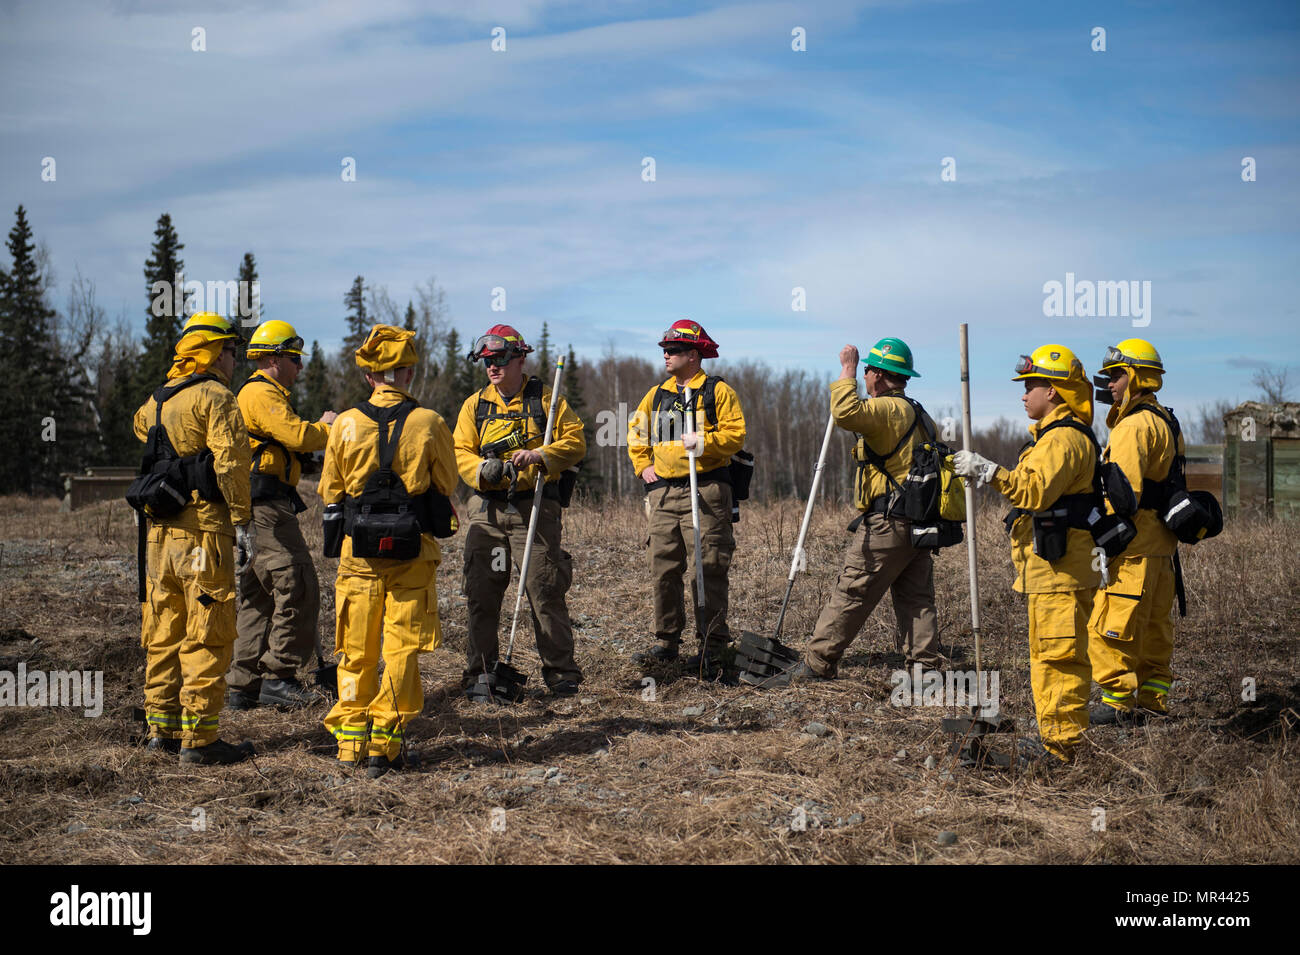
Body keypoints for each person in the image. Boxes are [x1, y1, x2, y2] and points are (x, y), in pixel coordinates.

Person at [319, 325, 458, 777]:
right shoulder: (430, 422)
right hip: (411, 549)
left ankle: (348, 746)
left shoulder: (344, 424)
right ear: (409, 372)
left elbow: (330, 490)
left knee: (355, 648)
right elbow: (447, 484)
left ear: (370, 375)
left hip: (357, 552)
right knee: (401, 649)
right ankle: (386, 746)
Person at [953, 345, 1101, 764]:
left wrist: (987, 470)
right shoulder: (1052, 437)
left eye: (1030, 386)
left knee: (1060, 658)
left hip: (1062, 573)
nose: (1023, 395)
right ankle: (1055, 738)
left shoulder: (1064, 439)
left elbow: (1033, 490)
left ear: (1053, 391)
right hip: (1052, 571)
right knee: (1048, 656)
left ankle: (1061, 748)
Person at [132, 312, 256, 764]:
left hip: (159, 537)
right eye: (230, 350)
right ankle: (200, 740)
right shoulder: (216, 397)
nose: (235, 360)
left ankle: (160, 730)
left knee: (164, 628)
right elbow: (230, 462)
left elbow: (138, 429)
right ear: (209, 352)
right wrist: (243, 520)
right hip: (205, 534)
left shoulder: (155, 401)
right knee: (208, 630)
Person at [787, 338, 941, 683]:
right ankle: (925, 672)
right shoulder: (921, 414)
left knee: (853, 590)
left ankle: (817, 664)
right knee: (916, 598)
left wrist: (846, 370)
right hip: (917, 524)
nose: (866, 375)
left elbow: (845, 413)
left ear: (881, 375)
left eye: (869, 370)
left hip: (888, 524)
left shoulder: (889, 409)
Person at [453, 324, 586, 697]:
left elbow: (575, 442)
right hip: (487, 513)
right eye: (486, 362)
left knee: (544, 590)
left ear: (519, 359)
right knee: (482, 593)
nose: (492, 368)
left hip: (535, 509)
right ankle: (479, 675)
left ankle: (561, 674)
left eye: (499, 360)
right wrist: (481, 470)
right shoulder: (474, 405)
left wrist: (541, 455)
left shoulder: (546, 399)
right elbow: (460, 451)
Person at [227, 320, 338, 709]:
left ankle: (243, 683)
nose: (300, 367)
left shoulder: (263, 393)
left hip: (261, 502)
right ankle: (280, 676)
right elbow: (298, 435)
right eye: (294, 359)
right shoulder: (261, 393)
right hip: (266, 507)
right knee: (298, 583)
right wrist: (328, 428)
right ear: (274, 358)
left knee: (258, 594)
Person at [629, 320, 746, 678]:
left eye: (675, 350)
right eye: (665, 349)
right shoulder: (658, 394)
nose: (667, 354)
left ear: (694, 355)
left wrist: (705, 443)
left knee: (706, 567)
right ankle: (666, 643)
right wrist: (643, 465)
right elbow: (638, 432)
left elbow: (736, 434)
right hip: (664, 492)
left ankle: (712, 646)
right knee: (663, 566)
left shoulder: (717, 391)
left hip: (707, 489)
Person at [1086, 339, 1182, 724]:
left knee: (1112, 630)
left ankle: (1116, 707)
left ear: (1137, 376)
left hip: (1132, 549)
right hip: (1162, 551)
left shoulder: (1132, 427)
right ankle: (1153, 704)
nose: (1109, 384)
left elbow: (1122, 496)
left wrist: (1100, 539)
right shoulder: (1166, 421)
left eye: (1117, 375)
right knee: (1154, 631)